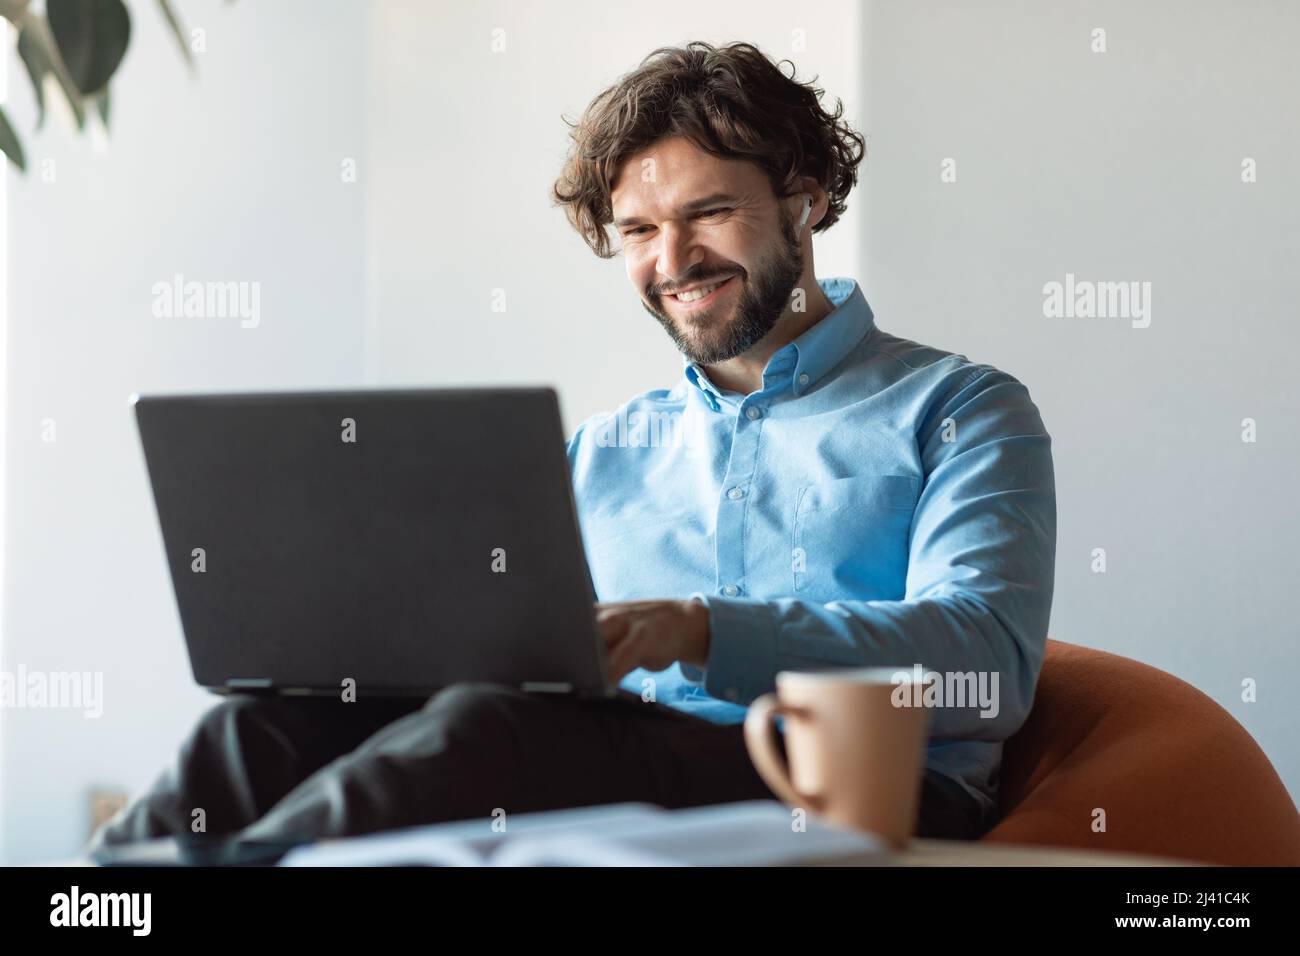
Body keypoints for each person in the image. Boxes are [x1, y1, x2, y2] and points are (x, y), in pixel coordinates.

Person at [88, 40, 1054, 856]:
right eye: (639, 230)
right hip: (610, 749)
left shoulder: (962, 410)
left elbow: (990, 669)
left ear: (804, 201)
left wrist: (704, 630)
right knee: (254, 729)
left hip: (845, 791)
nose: (672, 264)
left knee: (492, 733)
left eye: (708, 214)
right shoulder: (601, 450)